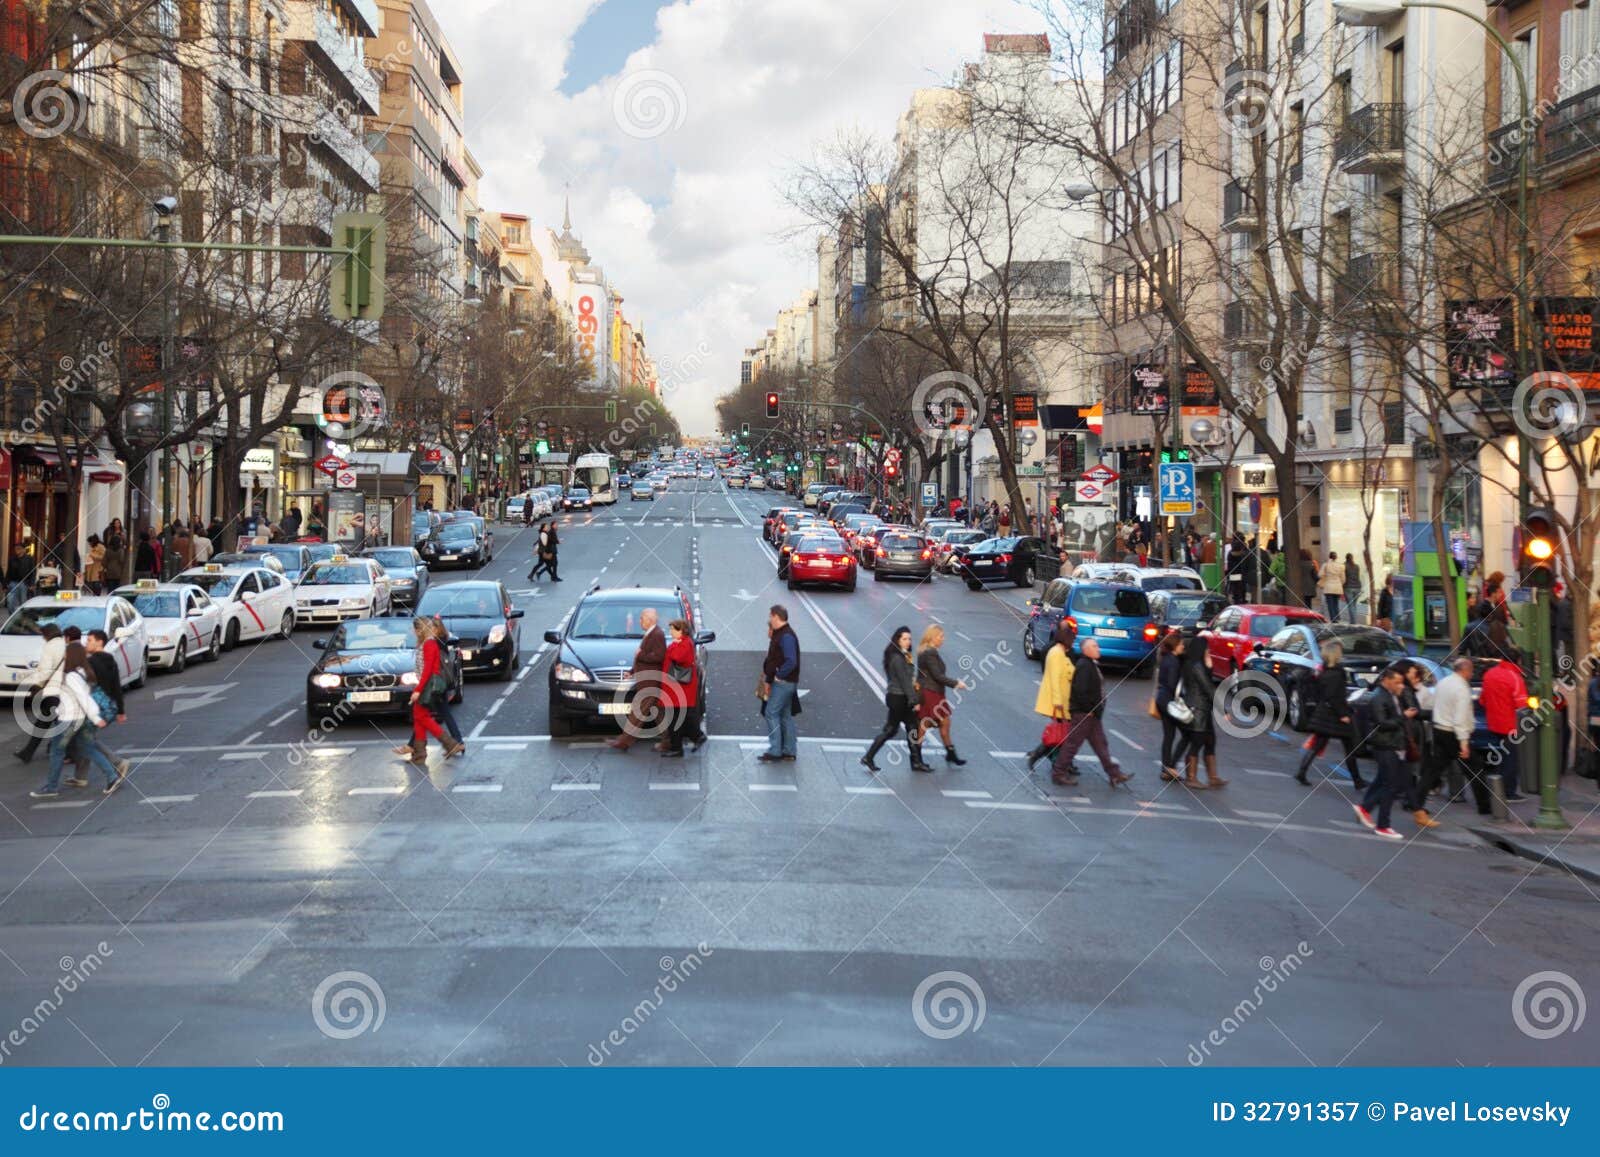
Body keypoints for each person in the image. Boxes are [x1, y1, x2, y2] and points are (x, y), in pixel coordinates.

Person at [28, 640, 123, 799]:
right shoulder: (81, 673)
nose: (64, 656)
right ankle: (112, 777)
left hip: (68, 721)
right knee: (88, 748)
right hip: (78, 719)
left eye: (66, 653)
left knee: (57, 752)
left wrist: (95, 717)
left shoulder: (71, 676)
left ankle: (51, 787)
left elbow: (82, 697)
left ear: (71, 655)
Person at [1049, 638, 1131, 789]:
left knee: (1101, 745)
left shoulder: (1090, 664)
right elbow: (1080, 691)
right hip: (1084, 714)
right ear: (1086, 650)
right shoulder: (1084, 666)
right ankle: (1058, 773)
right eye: (1094, 646)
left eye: (1097, 646)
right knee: (1072, 744)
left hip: (1092, 714)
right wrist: (1089, 710)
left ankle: (1114, 774)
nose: (1097, 648)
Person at [1295, 641, 1367, 788]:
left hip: (1324, 712)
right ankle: (1357, 780)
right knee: (1349, 746)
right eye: (1340, 652)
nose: (1342, 654)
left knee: (1319, 745)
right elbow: (1334, 697)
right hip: (1334, 715)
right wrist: (1343, 714)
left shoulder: (1324, 671)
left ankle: (1302, 772)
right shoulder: (1335, 674)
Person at [1353, 666, 1413, 839]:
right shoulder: (1379, 697)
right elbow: (1382, 723)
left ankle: (1366, 809)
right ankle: (1382, 824)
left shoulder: (1392, 695)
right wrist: (1404, 717)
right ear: (1386, 680)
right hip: (1385, 745)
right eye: (1396, 682)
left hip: (1393, 744)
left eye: (1401, 682)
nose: (1400, 685)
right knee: (1390, 785)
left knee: (1384, 781)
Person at [1426, 656, 1489, 816]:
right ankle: (1485, 806)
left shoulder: (1443, 683)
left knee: (1436, 768)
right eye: (1471, 671)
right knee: (1475, 768)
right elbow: (1460, 717)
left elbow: (1435, 705)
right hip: (1452, 733)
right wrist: (1464, 743)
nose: (1472, 674)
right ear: (1465, 670)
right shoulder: (1461, 688)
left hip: (1439, 729)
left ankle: (1416, 799)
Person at [393, 617, 462, 762]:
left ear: (420, 630)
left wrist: (418, 690)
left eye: (414, 629)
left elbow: (428, 669)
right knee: (419, 716)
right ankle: (419, 753)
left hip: (428, 685)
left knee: (422, 717)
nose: (412, 631)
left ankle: (449, 743)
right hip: (426, 684)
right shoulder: (426, 643)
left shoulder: (429, 643)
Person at [863, 626, 928, 772]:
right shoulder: (897, 658)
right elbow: (905, 681)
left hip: (900, 697)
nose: (908, 641)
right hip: (899, 698)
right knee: (893, 730)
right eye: (904, 639)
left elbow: (909, 678)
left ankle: (916, 762)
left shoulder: (903, 655)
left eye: (909, 639)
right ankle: (869, 757)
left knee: (910, 728)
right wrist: (914, 700)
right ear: (897, 640)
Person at [606, 609, 670, 752]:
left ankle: (624, 741)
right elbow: (644, 656)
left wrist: (640, 655)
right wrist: (631, 671)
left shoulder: (657, 634)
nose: (639, 621)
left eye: (641, 618)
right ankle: (669, 741)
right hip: (647, 679)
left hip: (650, 680)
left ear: (649, 620)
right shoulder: (651, 633)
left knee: (638, 711)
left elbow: (659, 656)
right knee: (659, 712)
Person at [1172, 636, 1225, 789]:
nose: (1208, 651)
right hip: (1198, 709)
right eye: (1207, 648)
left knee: (1210, 741)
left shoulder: (1192, 663)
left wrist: (1209, 667)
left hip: (1202, 709)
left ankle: (1213, 777)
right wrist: (1222, 709)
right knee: (1197, 743)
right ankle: (1191, 777)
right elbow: (1207, 687)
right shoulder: (1196, 666)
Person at [911, 624, 968, 767]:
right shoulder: (930, 653)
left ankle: (950, 753)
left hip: (933, 692)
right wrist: (956, 684)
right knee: (926, 724)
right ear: (933, 637)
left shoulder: (926, 651)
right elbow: (937, 676)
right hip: (931, 693)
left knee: (943, 722)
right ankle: (917, 758)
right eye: (940, 636)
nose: (943, 639)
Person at [81, 628, 131, 782]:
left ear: (100, 642)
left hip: (95, 706)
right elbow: (116, 686)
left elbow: (86, 686)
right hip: (109, 706)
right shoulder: (111, 660)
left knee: (85, 739)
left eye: (90, 640)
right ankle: (80, 777)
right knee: (87, 738)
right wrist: (120, 710)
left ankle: (117, 763)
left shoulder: (91, 662)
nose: (86, 643)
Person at [1481, 650, 1530, 802]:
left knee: (1500, 757)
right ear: (1518, 661)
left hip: (1493, 723)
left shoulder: (1489, 674)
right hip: (1510, 725)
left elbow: (1483, 700)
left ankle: (1497, 788)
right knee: (1510, 758)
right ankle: (1508, 792)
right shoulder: (1515, 678)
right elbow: (1522, 706)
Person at [14, 624, 65, 763]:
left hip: (51, 689)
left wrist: (35, 683)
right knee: (45, 722)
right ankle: (28, 752)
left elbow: (45, 670)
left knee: (48, 722)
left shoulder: (50, 647)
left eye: (43, 635)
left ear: (47, 634)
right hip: (63, 689)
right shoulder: (65, 644)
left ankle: (63, 750)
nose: (43, 638)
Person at [758, 605, 801, 762]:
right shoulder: (782, 634)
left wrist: (778, 675)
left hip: (783, 683)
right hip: (786, 682)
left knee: (771, 713)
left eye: (770, 616)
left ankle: (775, 750)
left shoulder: (786, 636)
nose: (769, 619)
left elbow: (791, 660)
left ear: (776, 616)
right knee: (785, 715)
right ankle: (789, 750)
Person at [659, 619, 699, 757]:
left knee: (676, 718)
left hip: (680, 686)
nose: (670, 632)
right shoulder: (681, 642)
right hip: (676, 686)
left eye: (673, 629)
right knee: (678, 717)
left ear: (681, 630)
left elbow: (677, 657)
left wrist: (673, 646)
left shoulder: (684, 643)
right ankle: (691, 739)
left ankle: (680, 745)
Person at [1154, 631, 1186, 782]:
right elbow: (1174, 685)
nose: (1183, 646)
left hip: (1161, 699)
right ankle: (1170, 767)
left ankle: (1166, 768)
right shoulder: (1173, 661)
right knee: (1186, 733)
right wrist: (1184, 699)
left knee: (1169, 735)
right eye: (1181, 644)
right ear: (1175, 645)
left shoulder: (1166, 658)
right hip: (1170, 702)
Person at [1318, 552, 1344, 620]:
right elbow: (1343, 579)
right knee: (1336, 603)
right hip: (1338, 587)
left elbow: (1320, 575)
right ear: (1336, 557)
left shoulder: (1325, 565)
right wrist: (1340, 583)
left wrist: (1326, 576)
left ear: (1329, 557)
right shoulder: (1341, 566)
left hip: (1328, 587)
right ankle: (1337, 617)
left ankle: (1333, 618)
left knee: (1330, 604)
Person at [1343, 553, 1362, 624]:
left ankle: (1353, 622)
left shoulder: (1344, 566)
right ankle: (1353, 621)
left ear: (1346, 558)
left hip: (1348, 587)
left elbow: (1343, 577)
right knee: (1354, 605)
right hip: (1358, 587)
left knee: (1351, 606)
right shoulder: (1357, 566)